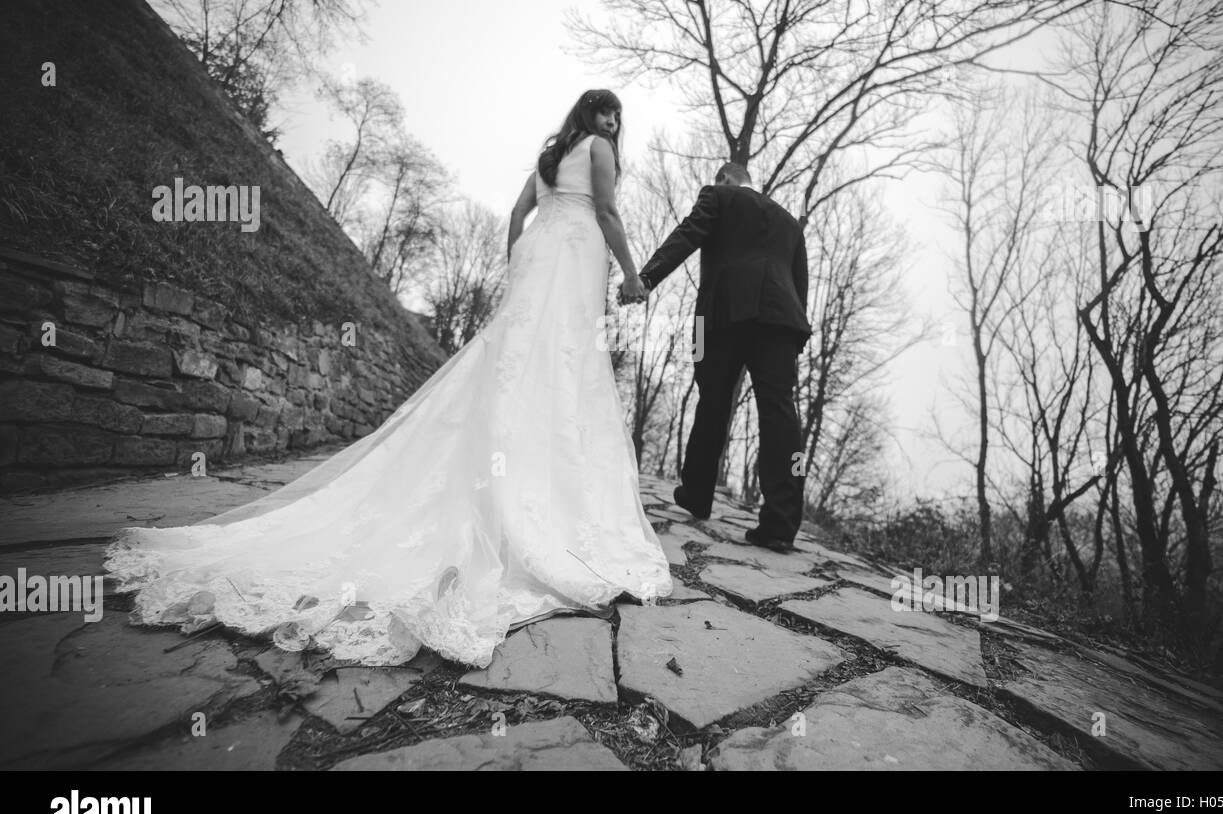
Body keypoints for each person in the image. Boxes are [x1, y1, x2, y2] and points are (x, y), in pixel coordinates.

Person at [105, 89, 672, 668]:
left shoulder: (551, 156)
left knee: (522, 365)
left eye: (617, 115)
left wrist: (517, 262)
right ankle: (537, 497)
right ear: (589, 114)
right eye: (606, 112)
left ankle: (510, 473)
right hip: (570, 261)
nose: (612, 121)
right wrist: (633, 275)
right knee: (556, 367)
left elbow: (516, 216)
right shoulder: (599, 148)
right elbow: (605, 213)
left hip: (542, 260)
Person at [628, 162, 811, 552]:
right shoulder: (790, 222)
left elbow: (688, 235)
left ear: (725, 179)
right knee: (781, 411)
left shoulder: (717, 195)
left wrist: (647, 277)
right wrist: (798, 335)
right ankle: (781, 522)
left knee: (712, 401)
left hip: (721, 314)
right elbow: (800, 284)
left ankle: (696, 494)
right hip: (781, 319)